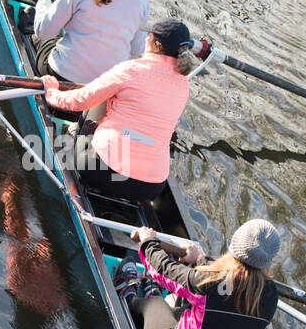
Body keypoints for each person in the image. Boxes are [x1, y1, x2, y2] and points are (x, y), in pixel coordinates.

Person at [116, 220, 280, 329]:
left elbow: (164, 271)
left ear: (236, 244)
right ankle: (153, 295)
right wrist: (199, 260)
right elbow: (226, 289)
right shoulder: (271, 296)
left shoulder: (208, 281)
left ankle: (129, 295)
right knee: (186, 312)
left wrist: (148, 242)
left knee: (156, 303)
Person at [42, 19, 194, 202]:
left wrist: (51, 93)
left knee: (100, 100)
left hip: (99, 172)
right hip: (150, 189)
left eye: (148, 36)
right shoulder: (184, 84)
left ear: (157, 44)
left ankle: (74, 132)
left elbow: (80, 100)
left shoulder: (131, 70)